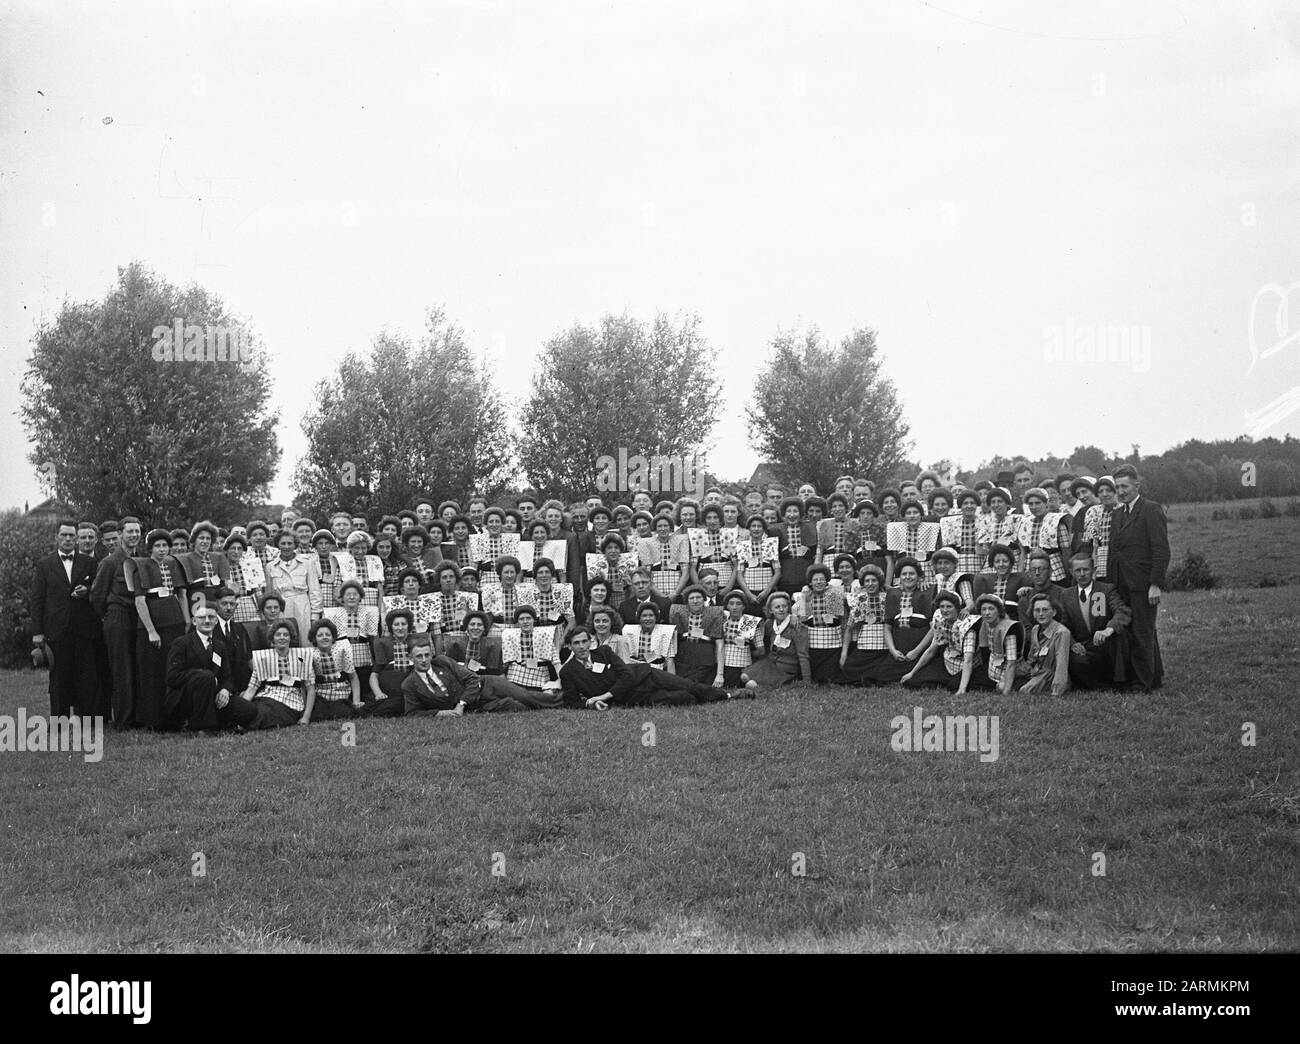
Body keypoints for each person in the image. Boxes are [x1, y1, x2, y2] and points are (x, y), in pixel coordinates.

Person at [559, 626, 731, 709]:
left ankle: (728, 695)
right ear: (569, 646)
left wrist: (602, 696)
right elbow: (571, 702)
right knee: (683, 697)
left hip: (646, 675)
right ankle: (706, 698)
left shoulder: (603, 652)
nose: (581, 646)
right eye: (576, 643)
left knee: (687, 685)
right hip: (632, 697)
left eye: (584, 641)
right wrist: (592, 705)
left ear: (590, 642)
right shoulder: (567, 672)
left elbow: (626, 675)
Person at [30, 519, 101, 716]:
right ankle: (59, 721)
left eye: (72, 535)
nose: (68, 539)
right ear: (57, 537)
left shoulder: (90, 563)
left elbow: (98, 591)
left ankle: (87, 720)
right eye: (64, 535)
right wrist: (37, 632)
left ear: (76, 539)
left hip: (84, 629)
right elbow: (37, 600)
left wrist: (86, 591)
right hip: (57, 630)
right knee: (59, 677)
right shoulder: (44, 565)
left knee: (87, 677)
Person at [1108, 464, 1169, 691]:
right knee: (1131, 631)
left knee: (1143, 632)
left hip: (1143, 584)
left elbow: (1161, 550)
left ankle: (1142, 684)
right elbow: (1115, 551)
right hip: (1121, 582)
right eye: (1117, 487)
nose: (1121, 491)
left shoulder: (1151, 510)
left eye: (1125, 486)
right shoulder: (1117, 514)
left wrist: (1155, 584)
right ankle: (1153, 677)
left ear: (1137, 485)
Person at [125, 528, 191, 729]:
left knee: (174, 669)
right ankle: (154, 719)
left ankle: (176, 717)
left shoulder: (174, 564)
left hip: (175, 623)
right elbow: (139, 602)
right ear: (150, 548)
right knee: (153, 672)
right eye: (157, 546)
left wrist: (187, 620)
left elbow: (181, 594)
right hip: (153, 626)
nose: (162, 550)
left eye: (165, 546)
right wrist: (151, 631)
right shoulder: (141, 566)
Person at [165, 604, 259, 731]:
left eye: (211, 617)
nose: (207, 621)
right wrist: (203, 676)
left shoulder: (219, 646)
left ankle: (219, 723)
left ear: (216, 620)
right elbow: (172, 677)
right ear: (194, 621)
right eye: (202, 617)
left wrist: (225, 689)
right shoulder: (181, 643)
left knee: (249, 710)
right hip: (187, 698)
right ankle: (202, 727)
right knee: (207, 676)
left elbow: (227, 676)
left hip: (214, 696)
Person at [91, 515, 142, 728]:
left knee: (138, 665)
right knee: (121, 669)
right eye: (130, 531)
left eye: (137, 531)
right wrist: (109, 615)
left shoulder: (141, 559)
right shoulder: (110, 562)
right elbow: (96, 596)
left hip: (138, 617)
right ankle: (123, 719)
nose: (134, 535)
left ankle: (138, 715)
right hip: (117, 617)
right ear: (120, 534)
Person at [1060, 551, 1131, 689]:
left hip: (1106, 645)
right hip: (1084, 646)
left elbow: (1122, 611)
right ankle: (1098, 686)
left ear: (1093, 570)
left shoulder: (1105, 590)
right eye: (1078, 570)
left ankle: (1120, 683)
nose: (1082, 574)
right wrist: (1072, 643)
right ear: (1071, 572)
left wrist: (1108, 630)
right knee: (1075, 661)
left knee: (1121, 636)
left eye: (1085, 569)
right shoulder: (1066, 595)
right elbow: (1063, 624)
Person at [900, 590, 977, 692]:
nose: (945, 610)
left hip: (965, 667)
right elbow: (931, 650)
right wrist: (912, 672)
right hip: (947, 664)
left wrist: (962, 689)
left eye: (949, 607)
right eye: (942, 607)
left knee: (953, 687)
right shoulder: (941, 622)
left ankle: (958, 683)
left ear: (957, 608)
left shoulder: (967, 626)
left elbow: (968, 659)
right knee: (912, 682)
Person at [242, 621, 316, 727]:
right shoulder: (263, 658)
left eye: (286, 635)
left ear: (291, 637)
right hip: (265, 698)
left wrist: (306, 717)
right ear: (272, 639)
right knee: (254, 709)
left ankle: (246, 725)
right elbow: (251, 689)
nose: (282, 637)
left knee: (265, 713)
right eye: (278, 635)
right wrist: (243, 707)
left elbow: (311, 689)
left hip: (290, 703)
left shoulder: (302, 658)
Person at [839, 565, 902, 685]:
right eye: (867, 581)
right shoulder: (855, 597)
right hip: (862, 647)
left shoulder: (888, 597)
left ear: (879, 582)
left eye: (874, 580)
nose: (870, 584)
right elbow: (848, 627)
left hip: (883, 648)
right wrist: (843, 653)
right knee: (846, 672)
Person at [323, 579, 380, 694]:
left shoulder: (368, 612)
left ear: (360, 597)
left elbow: (373, 638)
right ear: (342, 598)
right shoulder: (334, 614)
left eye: (355, 594)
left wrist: (375, 660)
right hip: (342, 658)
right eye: (348, 594)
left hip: (363, 659)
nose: (352, 597)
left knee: (364, 690)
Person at [746, 590, 811, 688]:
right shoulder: (769, 624)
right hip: (770, 663)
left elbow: (803, 656)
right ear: (770, 610)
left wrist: (807, 680)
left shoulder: (796, 627)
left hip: (786, 669)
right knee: (744, 677)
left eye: (784, 606)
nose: (781, 609)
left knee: (751, 685)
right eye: (777, 607)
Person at [794, 563, 846, 683]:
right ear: (810, 583)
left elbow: (835, 620)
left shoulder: (834, 594)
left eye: (822, 579)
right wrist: (805, 601)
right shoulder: (805, 596)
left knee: (829, 677)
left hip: (831, 644)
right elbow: (803, 619)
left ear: (827, 581)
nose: (818, 582)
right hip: (812, 644)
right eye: (815, 580)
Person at [265, 529, 320, 640]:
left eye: (290, 543)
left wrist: (315, 616)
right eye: (283, 543)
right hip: (282, 608)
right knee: (284, 638)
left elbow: (315, 590)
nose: (286, 547)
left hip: (303, 606)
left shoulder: (307, 563)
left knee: (304, 639)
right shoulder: (271, 566)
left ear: (295, 544)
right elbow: (269, 594)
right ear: (278, 545)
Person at [1015, 593, 1072, 695]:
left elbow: (1061, 664)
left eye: (1045, 610)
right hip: (1035, 671)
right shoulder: (1035, 629)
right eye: (1037, 610)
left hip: (1050, 675)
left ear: (1054, 612)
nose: (1041, 614)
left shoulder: (1061, 632)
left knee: (1024, 691)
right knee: (1005, 683)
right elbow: (1032, 659)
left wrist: (1057, 690)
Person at [668, 587, 725, 685]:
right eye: (692, 598)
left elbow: (720, 646)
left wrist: (720, 674)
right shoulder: (678, 613)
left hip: (705, 659)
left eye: (698, 597)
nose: (695, 601)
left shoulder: (715, 613)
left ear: (704, 599)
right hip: (684, 659)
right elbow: (672, 643)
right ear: (687, 601)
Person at [364, 608, 416, 716]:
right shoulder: (382, 644)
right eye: (396, 625)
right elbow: (374, 674)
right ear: (391, 627)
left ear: (409, 625)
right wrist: (378, 693)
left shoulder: (417, 643)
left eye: (403, 624)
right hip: (390, 688)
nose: (400, 628)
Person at [307, 618, 361, 720]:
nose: (324, 638)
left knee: (342, 713)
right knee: (318, 714)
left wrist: (356, 701)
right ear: (314, 639)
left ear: (333, 637)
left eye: (327, 635)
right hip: (321, 694)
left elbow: (353, 677)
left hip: (340, 693)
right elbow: (310, 684)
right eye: (320, 635)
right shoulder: (310, 653)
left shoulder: (342, 648)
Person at [1015, 488, 1072, 583]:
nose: (1034, 507)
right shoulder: (1025, 522)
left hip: (1054, 570)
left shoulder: (1056, 521)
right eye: (1031, 504)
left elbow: (1066, 551)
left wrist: (1069, 574)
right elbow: (1023, 552)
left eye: (1038, 503)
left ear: (1046, 503)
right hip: (1031, 569)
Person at [967, 594, 1020, 695]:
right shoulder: (986, 624)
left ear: (999, 611)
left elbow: (1011, 663)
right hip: (992, 670)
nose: (987, 613)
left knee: (1001, 687)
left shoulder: (1008, 630)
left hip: (1007, 672)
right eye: (984, 609)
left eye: (991, 609)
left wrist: (1006, 692)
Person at [212, 587, 254, 694]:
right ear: (216, 604)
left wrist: (247, 689)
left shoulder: (240, 629)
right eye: (224, 604)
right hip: (219, 690)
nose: (229, 608)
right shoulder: (209, 628)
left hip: (240, 688)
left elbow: (248, 660)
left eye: (232, 604)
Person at [719, 590, 764, 691]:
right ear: (727, 606)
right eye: (731, 603)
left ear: (744, 606)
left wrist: (748, 653)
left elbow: (761, 650)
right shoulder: (721, 619)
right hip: (721, 663)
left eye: (738, 604)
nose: (734, 607)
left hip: (742, 664)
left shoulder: (751, 622)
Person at [776, 497, 819, 595]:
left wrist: (807, 550)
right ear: (784, 513)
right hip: (785, 574)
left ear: (800, 513)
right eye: (788, 511)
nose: (792, 515)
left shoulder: (810, 527)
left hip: (805, 573)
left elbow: (815, 550)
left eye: (795, 511)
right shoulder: (777, 529)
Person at [735, 514, 779, 607]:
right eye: (753, 526)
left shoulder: (770, 544)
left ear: (763, 529)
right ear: (749, 528)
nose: (756, 529)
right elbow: (739, 573)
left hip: (767, 592)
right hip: (749, 593)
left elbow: (778, 572)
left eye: (759, 526)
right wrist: (748, 593)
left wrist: (766, 591)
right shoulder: (742, 546)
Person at [972, 544, 1029, 614]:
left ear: (1011, 563)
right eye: (997, 562)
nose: (1001, 564)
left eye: (1005, 561)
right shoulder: (983, 580)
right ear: (992, 564)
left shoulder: (1021, 579)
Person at [1081, 476, 1119, 582]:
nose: (1104, 494)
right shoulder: (1093, 511)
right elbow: (1090, 543)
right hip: (1100, 559)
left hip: (1120, 559)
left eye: (1109, 490)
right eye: (1101, 491)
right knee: (1101, 593)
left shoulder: (1123, 509)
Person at [692, 504, 737, 591]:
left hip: (726, 584)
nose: (712, 521)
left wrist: (728, 588)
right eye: (709, 518)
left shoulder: (729, 534)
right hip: (704, 585)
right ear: (704, 520)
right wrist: (701, 588)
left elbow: (736, 566)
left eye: (715, 517)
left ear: (720, 519)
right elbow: (693, 568)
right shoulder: (697, 535)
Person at [624, 602, 678, 672]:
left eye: (651, 615)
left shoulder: (665, 632)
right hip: (635, 671)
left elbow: (670, 661)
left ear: (656, 617)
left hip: (657, 672)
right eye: (644, 616)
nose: (648, 618)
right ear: (639, 618)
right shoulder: (628, 632)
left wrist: (672, 681)